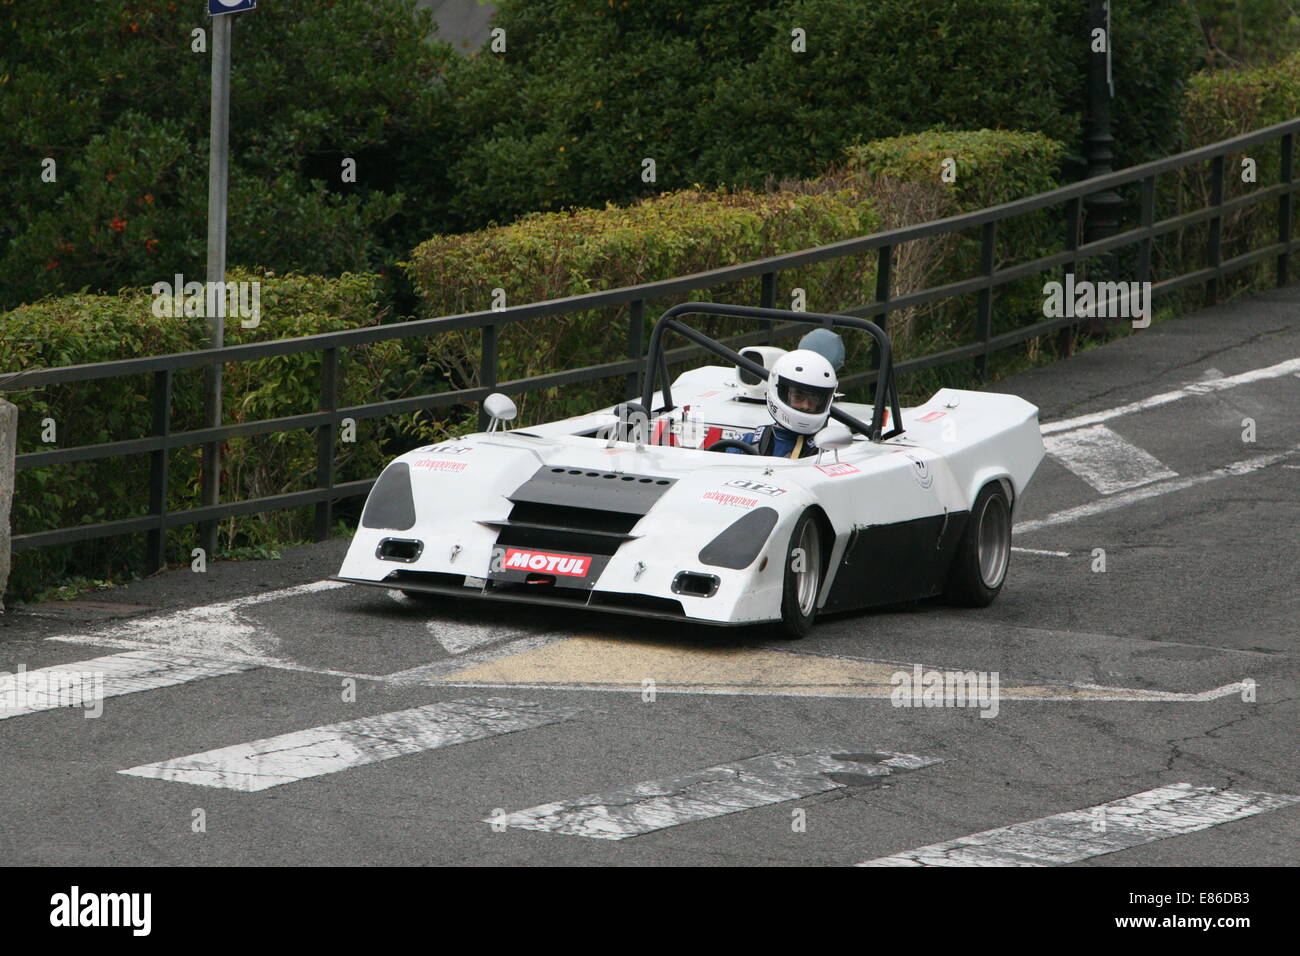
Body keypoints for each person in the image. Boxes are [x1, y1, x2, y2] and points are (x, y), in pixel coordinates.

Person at [728, 348, 838, 458]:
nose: (806, 405)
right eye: (798, 397)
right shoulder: (745, 444)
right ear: (779, 391)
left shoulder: (830, 452)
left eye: (814, 399)